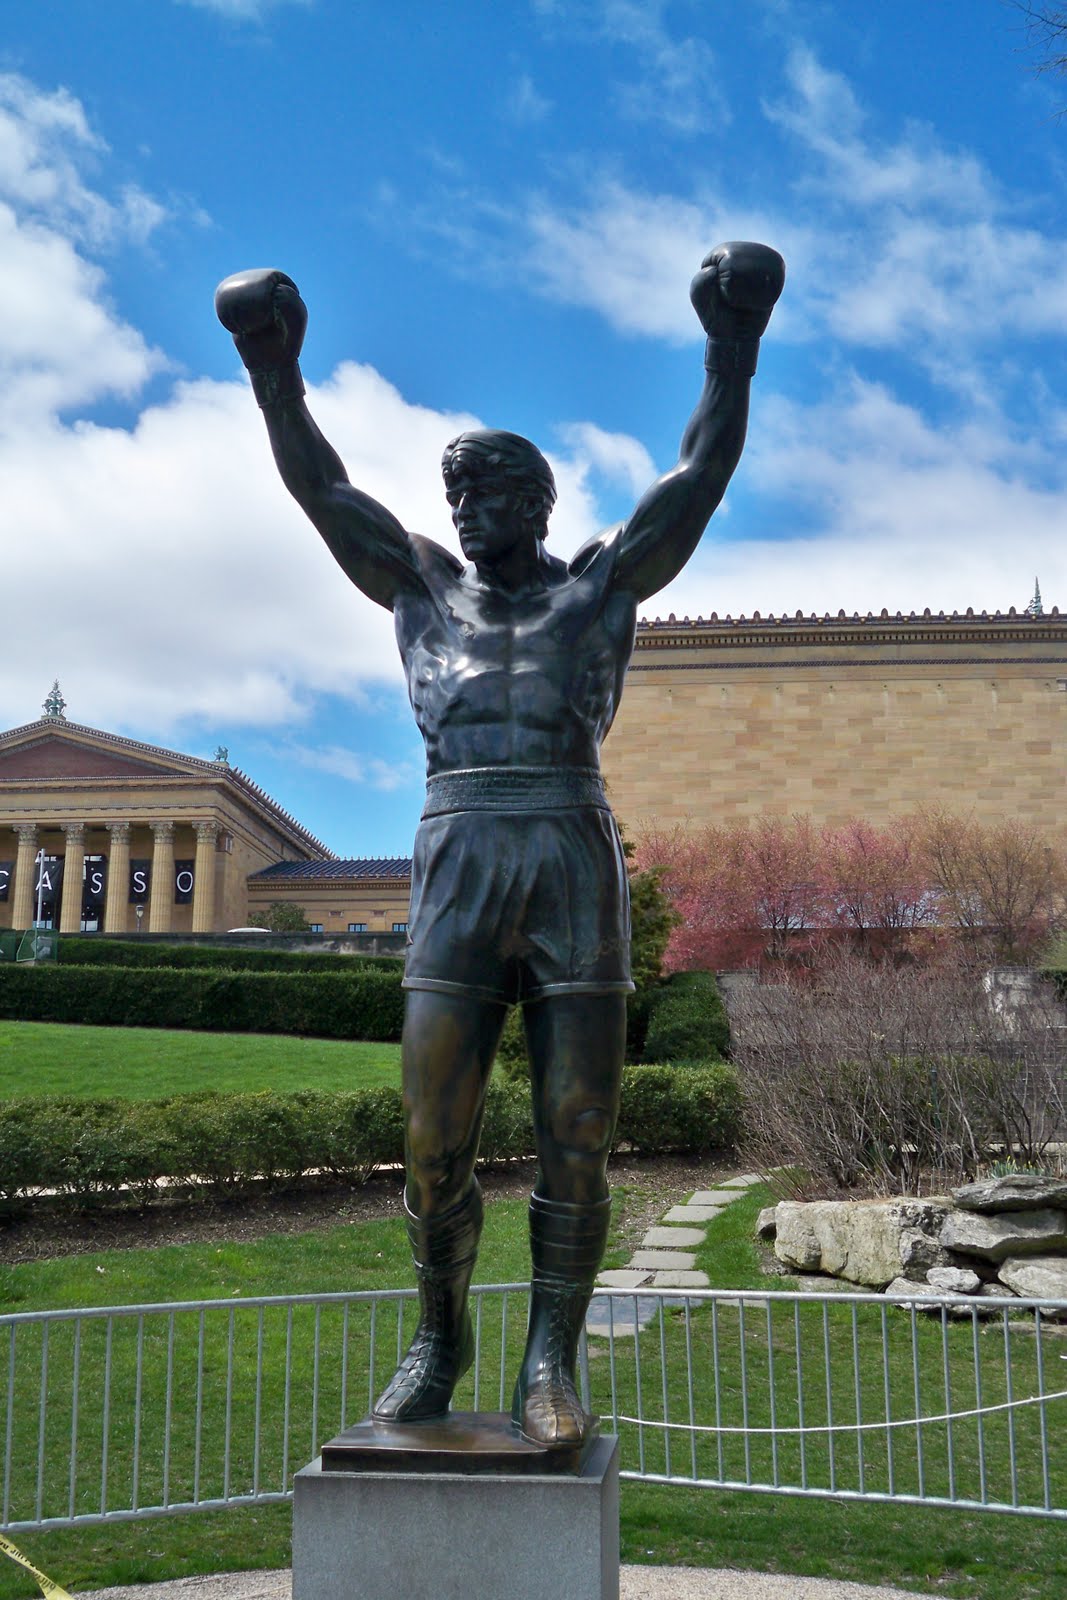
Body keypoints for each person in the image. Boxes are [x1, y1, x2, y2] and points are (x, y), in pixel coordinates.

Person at [215, 242, 784, 1447]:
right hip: (460, 848)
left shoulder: (598, 592)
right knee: (432, 1139)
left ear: (538, 503)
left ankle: (551, 1356)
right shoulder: (418, 590)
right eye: (456, 496)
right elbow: (323, 492)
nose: (469, 513)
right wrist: (274, 370)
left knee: (577, 1131)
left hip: (571, 852)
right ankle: (440, 1332)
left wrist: (730, 339)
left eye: (491, 494)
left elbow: (701, 471)